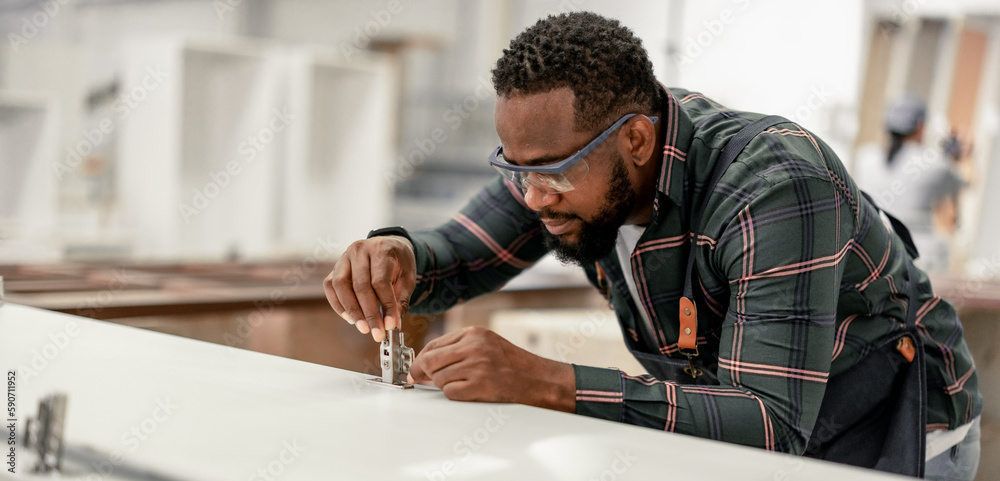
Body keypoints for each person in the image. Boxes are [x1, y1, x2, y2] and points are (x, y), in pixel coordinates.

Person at [324, 12, 981, 479]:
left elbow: (771, 419)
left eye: (549, 173)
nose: (531, 198)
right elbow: (461, 253)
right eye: (515, 170)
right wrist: (399, 255)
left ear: (635, 141)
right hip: (765, 430)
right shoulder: (567, 168)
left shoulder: (774, 185)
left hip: (888, 429)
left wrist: (549, 381)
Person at [853, 95, 968, 273]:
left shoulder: (865, 157)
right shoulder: (934, 164)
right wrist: (965, 153)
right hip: (915, 265)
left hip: (867, 258)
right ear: (921, 127)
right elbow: (968, 181)